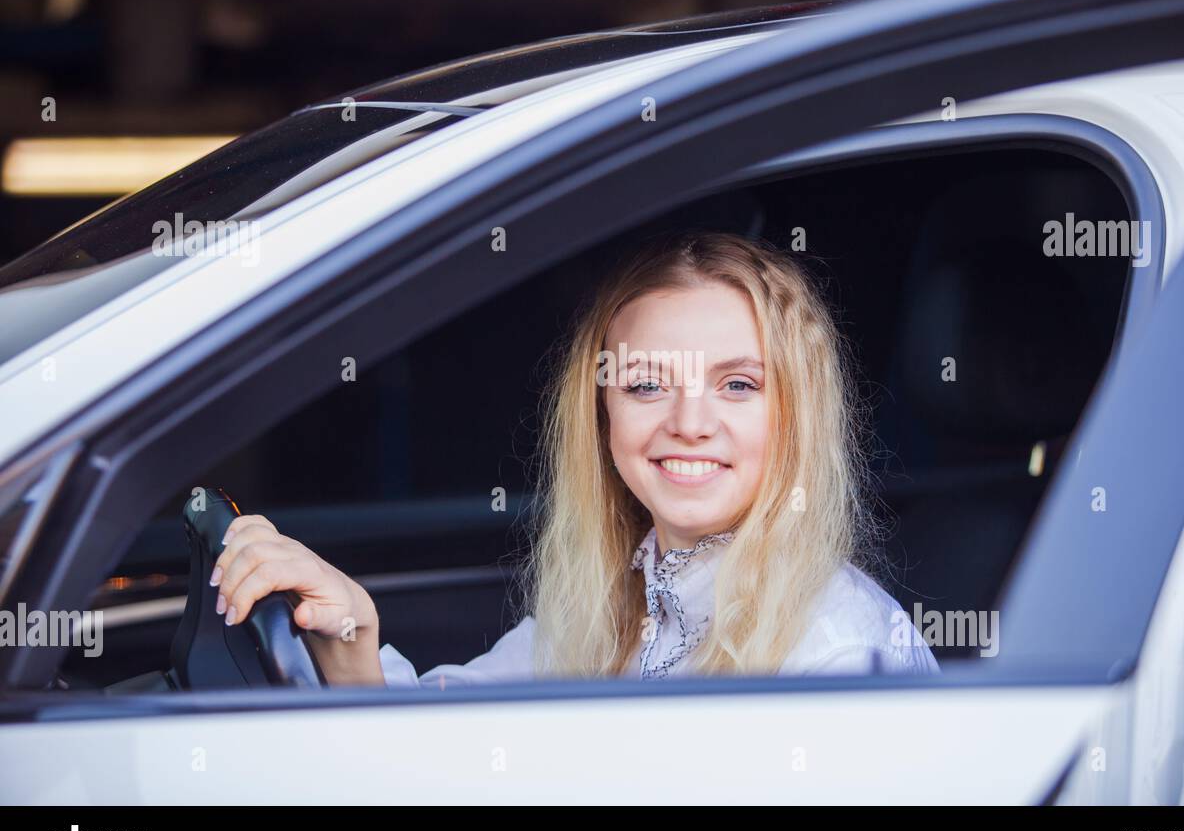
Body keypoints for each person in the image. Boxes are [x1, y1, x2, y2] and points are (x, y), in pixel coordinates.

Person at [211, 231, 939, 685]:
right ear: (603, 410)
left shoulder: (838, 651)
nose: (689, 423)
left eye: (738, 384)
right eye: (648, 383)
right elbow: (447, 748)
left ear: (795, 415)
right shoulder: (615, 598)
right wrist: (352, 635)